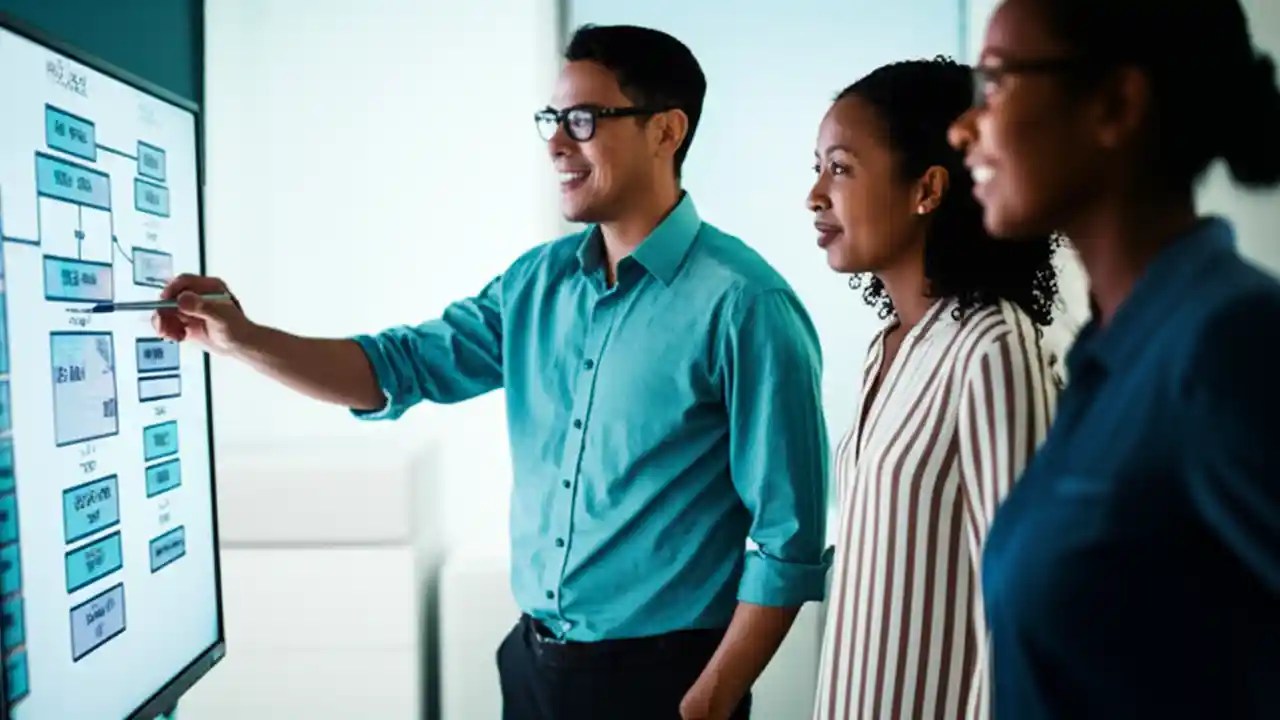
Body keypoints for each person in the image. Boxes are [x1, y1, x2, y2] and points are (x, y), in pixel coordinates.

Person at [156, 24, 832, 720]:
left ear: (666, 131)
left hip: (664, 683)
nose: (556, 144)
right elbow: (396, 367)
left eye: (584, 120)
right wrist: (242, 340)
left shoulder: (747, 305)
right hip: (534, 671)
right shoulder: (534, 286)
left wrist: (708, 702)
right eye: (552, 120)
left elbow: (788, 538)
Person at [948, 0, 1280, 716]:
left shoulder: (1228, 346)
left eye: (997, 83)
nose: (962, 127)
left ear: (1115, 105)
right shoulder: (1108, 355)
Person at [807, 57, 1061, 720]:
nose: (814, 195)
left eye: (839, 167)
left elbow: (1027, 605)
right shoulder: (883, 349)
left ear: (927, 189)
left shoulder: (993, 345)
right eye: (817, 168)